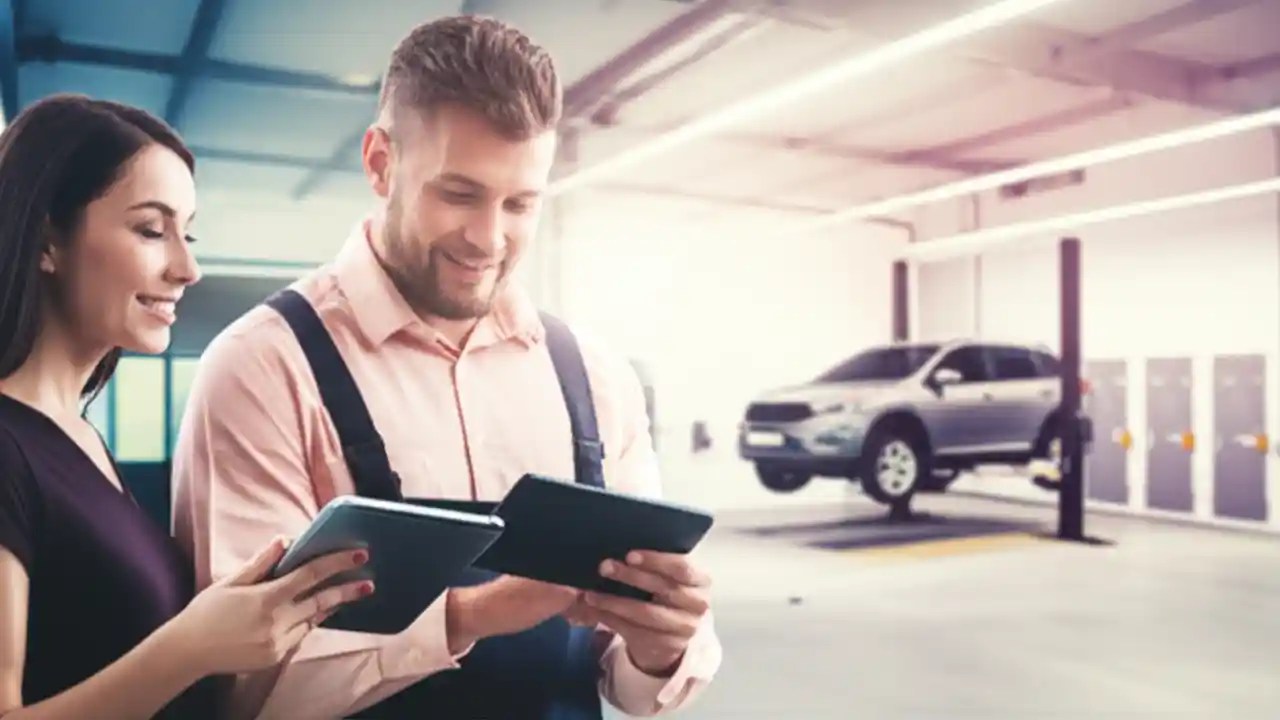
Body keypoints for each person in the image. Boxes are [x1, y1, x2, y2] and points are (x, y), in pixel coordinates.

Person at [172, 14, 722, 720]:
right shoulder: (263, 371)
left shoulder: (594, 377)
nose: (489, 239)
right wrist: (472, 615)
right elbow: (245, 690)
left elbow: (638, 683)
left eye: (521, 204)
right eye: (458, 194)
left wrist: (662, 647)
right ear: (379, 163)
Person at [0, 94, 375, 719]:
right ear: (47, 241)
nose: (188, 267)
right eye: (151, 230)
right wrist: (189, 648)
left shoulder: (78, 438)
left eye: (187, 232)